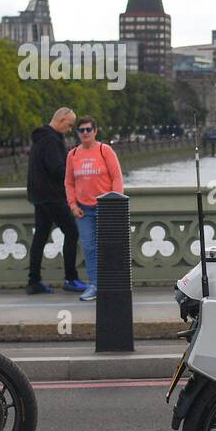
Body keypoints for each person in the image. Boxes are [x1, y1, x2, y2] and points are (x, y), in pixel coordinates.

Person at [25, 107, 86, 296]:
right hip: (52, 197)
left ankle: (34, 281)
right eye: (69, 125)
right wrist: (78, 176)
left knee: (40, 237)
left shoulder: (41, 138)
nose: (70, 129)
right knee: (72, 232)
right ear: (60, 120)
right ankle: (71, 278)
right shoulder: (51, 140)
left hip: (39, 196)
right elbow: (58, 170)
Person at [65, 117, 125, 301]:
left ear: (95, 130)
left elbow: (117, 177)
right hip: (83, 210)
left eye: (88, 129)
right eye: (81, 130)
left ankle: (113, 285)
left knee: (109, 247)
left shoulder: (104, 150)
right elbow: (69, 182)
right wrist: (73, 205)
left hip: (105, 206)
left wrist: (115, 203)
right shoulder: (73, 155)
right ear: (77, 133)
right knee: (90, 248)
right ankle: (95, 285)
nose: (85, 133)